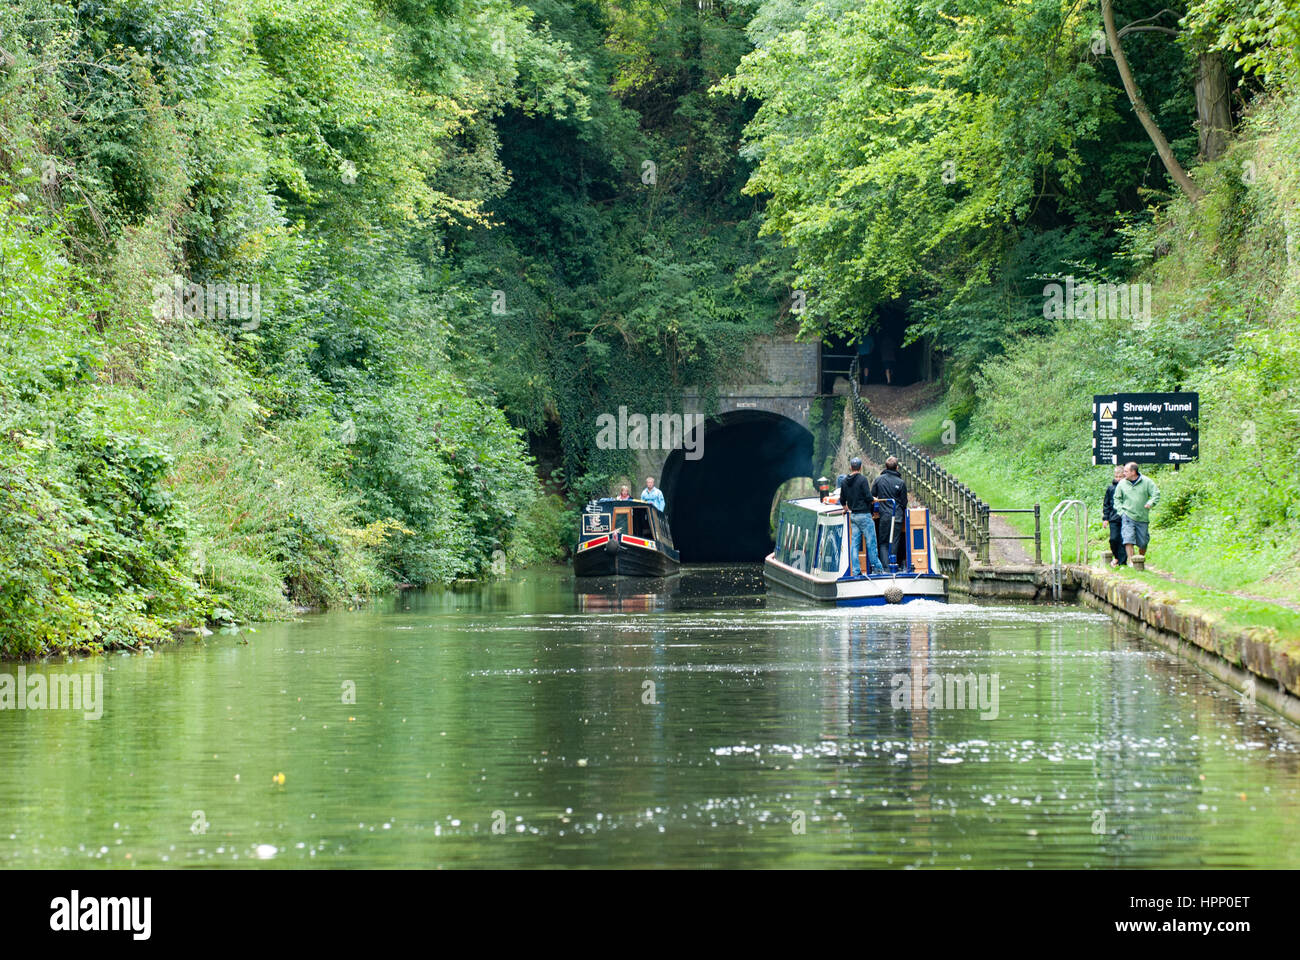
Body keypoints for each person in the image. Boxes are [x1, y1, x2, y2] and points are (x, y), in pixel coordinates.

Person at [841, 457, 886, 577]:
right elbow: (868, 497)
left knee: (854, 545)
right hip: (865, 516)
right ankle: (878, 569)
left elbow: (842, 500)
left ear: (851, 467)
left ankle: (856, 571)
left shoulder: (844, 481)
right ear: (860, 467)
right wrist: (874, 499)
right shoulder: (862, 479)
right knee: (871, 543)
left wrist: (846, 509)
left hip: (854, 516)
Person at [1113, 461, 1160, 566]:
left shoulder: (1147, 482)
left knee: (1143, 542)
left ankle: (1140, 559)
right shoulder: (1122, 483)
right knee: (1128, 538)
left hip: (1142, 516)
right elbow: (1117, 498)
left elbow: (1156, 494)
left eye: (1126, 471)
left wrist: (1150, 503)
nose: (1123, 474)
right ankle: (1131, 561)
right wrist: (1121, 511)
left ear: (1133, 472)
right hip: (1127, 515)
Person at [871, 456, 908, 569]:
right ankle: (893, 565)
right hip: (897, 516)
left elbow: (872, 497)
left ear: (886, 467)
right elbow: (904, 502)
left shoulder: (879, 480)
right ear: (897, 468)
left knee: (883, 542)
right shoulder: (901, 482)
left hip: (884, 516)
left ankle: (885, 567)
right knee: (895, 540)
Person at [1101, 466, 1126, 567]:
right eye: (1116, 476)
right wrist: (1105, 518)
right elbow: (1106, 504)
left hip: (1125, 516)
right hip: (1113, 517)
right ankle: (1116, 557)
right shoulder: (1111, 488)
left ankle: (1122, 561)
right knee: (1114, 538)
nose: (1118, 479)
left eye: (1120, 477)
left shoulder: (1127, 488)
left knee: (1124, 539)